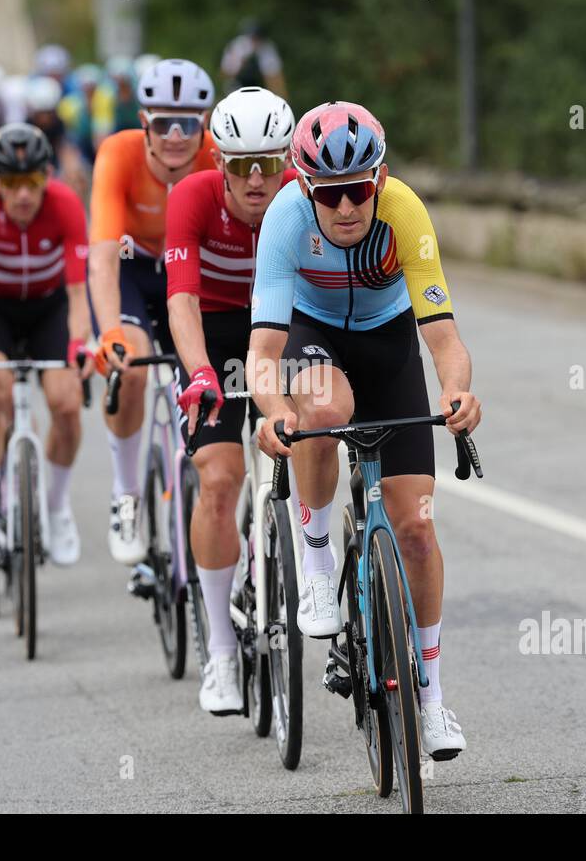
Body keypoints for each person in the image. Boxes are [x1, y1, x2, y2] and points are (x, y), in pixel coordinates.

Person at [247, 101, 482, 760]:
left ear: (378, 182)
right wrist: (274, 413)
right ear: (304, 187)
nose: (347, 208)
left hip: (388, 345)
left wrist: (458, 390)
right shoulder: (286, 220)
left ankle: (431, 698)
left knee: (416, 528)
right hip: (314, 336)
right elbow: (263, 355)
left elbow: (444, 338)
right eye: (330, 194)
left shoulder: (404, 211)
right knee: (322, 410)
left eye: (358, 191)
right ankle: (318, 554)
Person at [164, 86, 297, 714]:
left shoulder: (303, 197)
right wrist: (197, 371)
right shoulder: (189, 197)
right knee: (219, 477)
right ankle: (219, 649)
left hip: (283, 328)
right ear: (217, 162)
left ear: (286, 162)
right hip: (214, 333)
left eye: (268, 163)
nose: (254, 179)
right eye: (240, 164)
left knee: (314, 435)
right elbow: (181, 298)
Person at [87, 58, 216, 564]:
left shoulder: (216, 156)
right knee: (133, 368)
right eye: (165, 123)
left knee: (206, 375)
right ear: (144, 121)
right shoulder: (117, 153)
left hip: (191, 271)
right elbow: (100, 255)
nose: (178, 135)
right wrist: (111, 331)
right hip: (131, 268)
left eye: (190, 123)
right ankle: (126, 495)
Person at [0, 124, 92, 566]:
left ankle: (56, 506)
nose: (23, 195)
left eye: (32, 182)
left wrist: (78, 347)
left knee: (66, 403)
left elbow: (76, 294)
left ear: (47, 175)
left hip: (48, 309)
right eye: (12, 183)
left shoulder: (66, 204)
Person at [220, 20, 286, 98]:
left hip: (260, 87)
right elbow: (225, 73)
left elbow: (275, 77)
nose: (255, 41)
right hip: (237, 86)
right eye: (253, 38)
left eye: (257, 38)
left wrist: (279, 98)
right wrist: (240, 64)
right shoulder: (237, 46)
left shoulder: (267, 48)